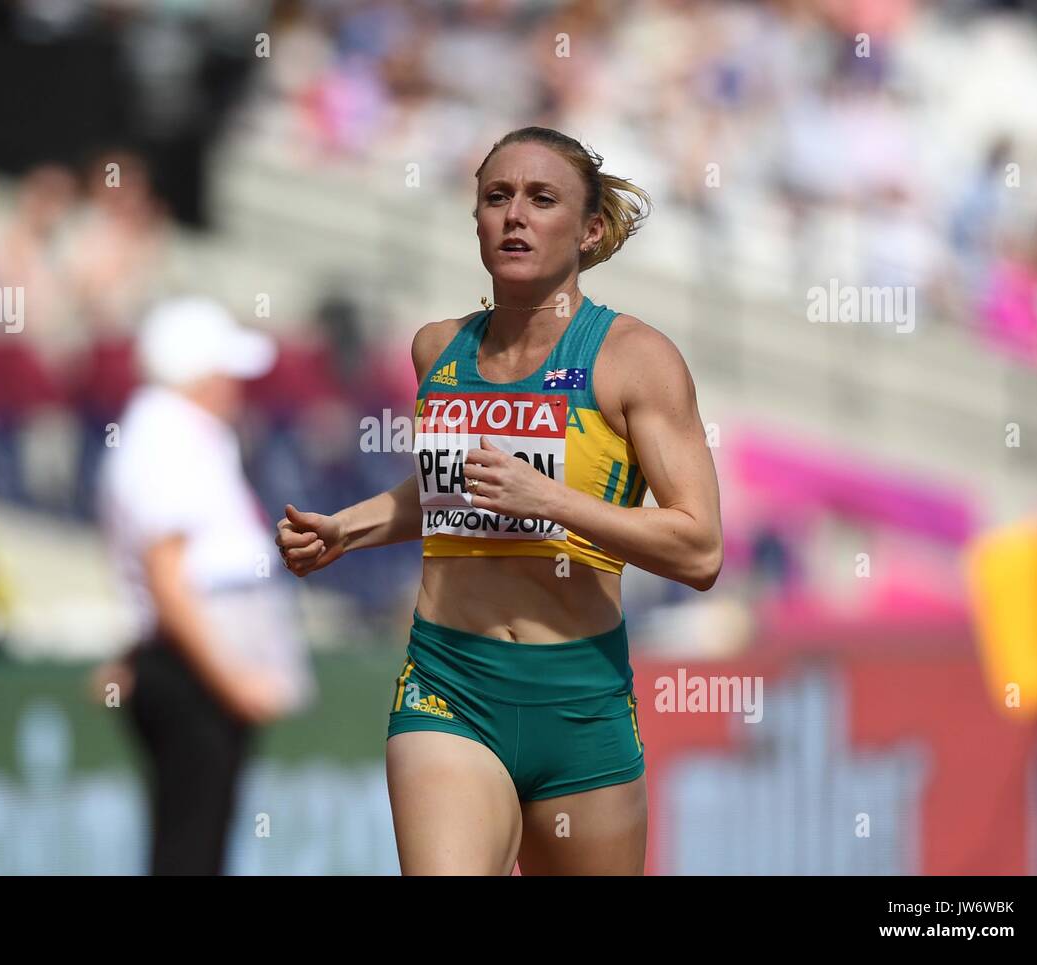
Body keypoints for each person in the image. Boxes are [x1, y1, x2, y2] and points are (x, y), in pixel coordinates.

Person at [276, 127, 722, 875]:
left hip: (580, 701)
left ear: (588, 231)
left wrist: (551, 500)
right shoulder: (437, 351)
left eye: (541, 198)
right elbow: (454, 491)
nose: (515, 214)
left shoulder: (635, 360)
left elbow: (700, 547)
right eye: (496, 197)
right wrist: (348, 527)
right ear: (476, 221)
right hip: (449, 685)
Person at [100, 296, 315, 875]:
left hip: (191, 664)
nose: (235, 385)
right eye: (223, 371)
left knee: (199, 844)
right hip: (194, 670)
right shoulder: (165, 436)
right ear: (194, 373)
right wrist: (232, 681)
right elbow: (168, 580)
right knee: (190, 851)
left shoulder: (181, 434)